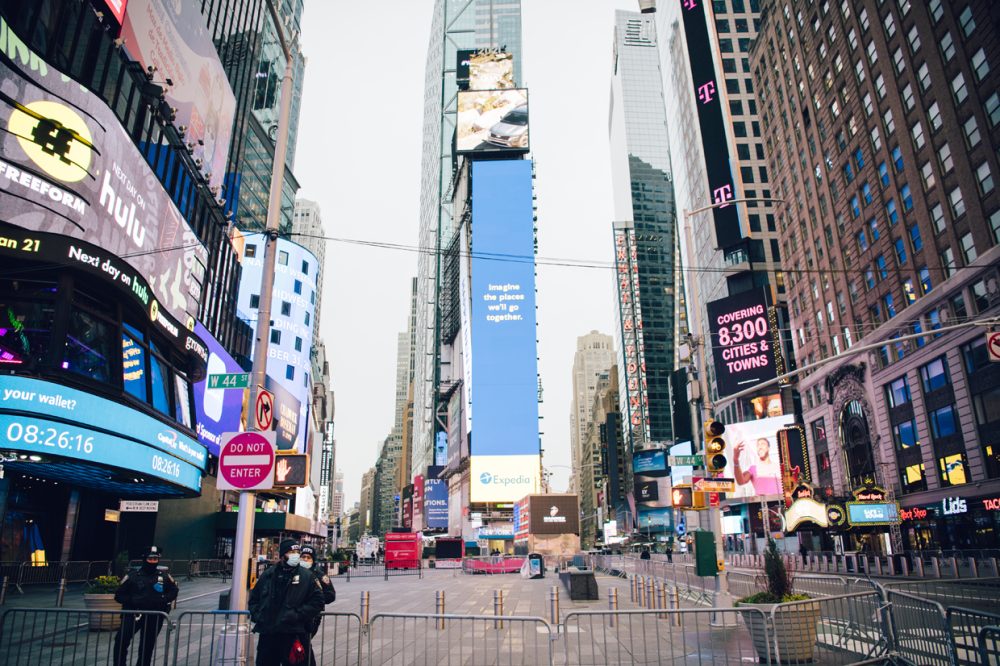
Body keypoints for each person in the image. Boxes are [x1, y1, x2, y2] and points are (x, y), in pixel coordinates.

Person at [249, 539, 325, 666]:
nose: (295, 555)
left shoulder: (307, 576)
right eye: (291, 551)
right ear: (283, 555)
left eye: (297, 552)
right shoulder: (268, 575)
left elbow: (318, 601)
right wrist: (259, 616)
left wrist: (297, 615)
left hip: (295, 633)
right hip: (269, 634)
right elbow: (254, 599)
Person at [113, 546, 178, 666]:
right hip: (133, 614)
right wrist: (133, 601)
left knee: (147, 646)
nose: (153, 561)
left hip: (154, 615)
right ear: (144, 559)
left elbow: (174, 590)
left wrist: (163, 599)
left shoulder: (163, 576)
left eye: (155, 559)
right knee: (121, 640)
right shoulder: (133, 576)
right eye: (150, 559)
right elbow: (119, 595)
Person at [300, 546, 335, 665]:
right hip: (296, 614)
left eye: (308, 557)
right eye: (303, 557)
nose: (305, 559)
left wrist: (315, 601)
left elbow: (330, 595)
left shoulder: (319, 575)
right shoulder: (295, 572)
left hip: (312, 616)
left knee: (304, 641)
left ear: (313, 559)